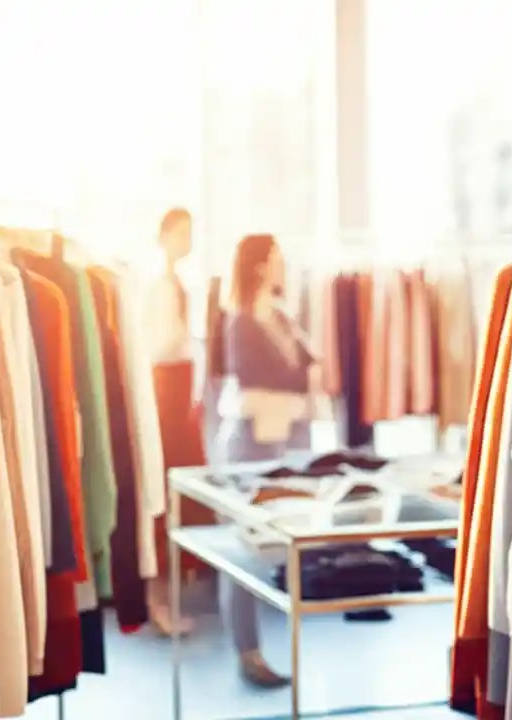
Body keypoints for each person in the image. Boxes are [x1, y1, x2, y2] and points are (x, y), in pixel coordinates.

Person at [216, 233, 318, 688]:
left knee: (270, 541)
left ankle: (255, 650)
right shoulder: (241, 321)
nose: (284, 265)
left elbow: (308, 366)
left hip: (278, 442)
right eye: (277, 258)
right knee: (242, 547)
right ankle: (247, 651)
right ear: (259, 265)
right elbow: (268, 375)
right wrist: (299, 378)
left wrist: (299, 376)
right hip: (251, 445)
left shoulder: (278, 317)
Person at [146, 207, 215, 637]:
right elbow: (161, 344)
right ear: (166, 235)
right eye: (183, 233)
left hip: (177, 393)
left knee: (181, 491)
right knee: (165, 496)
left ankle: (167, 597)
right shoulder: (160, 287)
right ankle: (158, 601)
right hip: (166, 393)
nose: (188, 242)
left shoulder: (174, 284)